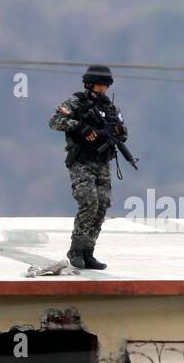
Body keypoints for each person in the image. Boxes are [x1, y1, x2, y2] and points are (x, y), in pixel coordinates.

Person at [47, 64, 131, 270]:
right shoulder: (77, 102)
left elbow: (123, 132)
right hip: (82, 162)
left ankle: (88, 251)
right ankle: (76, 250)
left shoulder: (111, 109)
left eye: (105, 86)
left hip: (102, 163)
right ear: (89, 84)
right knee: (89, 202)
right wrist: (79, 126)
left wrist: (118, 132)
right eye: (99, 86)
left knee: (102, 205)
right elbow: (55, 121)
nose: (102, 90)